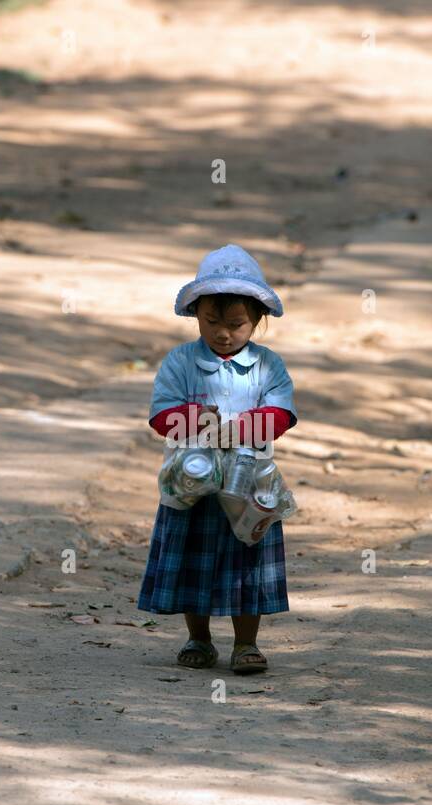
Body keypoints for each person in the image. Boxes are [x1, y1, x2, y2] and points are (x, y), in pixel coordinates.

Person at [136, 244, 298, 675]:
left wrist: (246, 425)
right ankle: (199, 638)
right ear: (196, 316)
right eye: (212, 322)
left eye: (235, 324)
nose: (223, 333)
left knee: (249, 565)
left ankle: (246, 644)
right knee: (195, 562)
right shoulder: (180, 362)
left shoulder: (268, 366)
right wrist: (193, 418)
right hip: (193, 485)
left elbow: (282, 415)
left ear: (257, 321)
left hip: (251, 486)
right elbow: (160, 415)